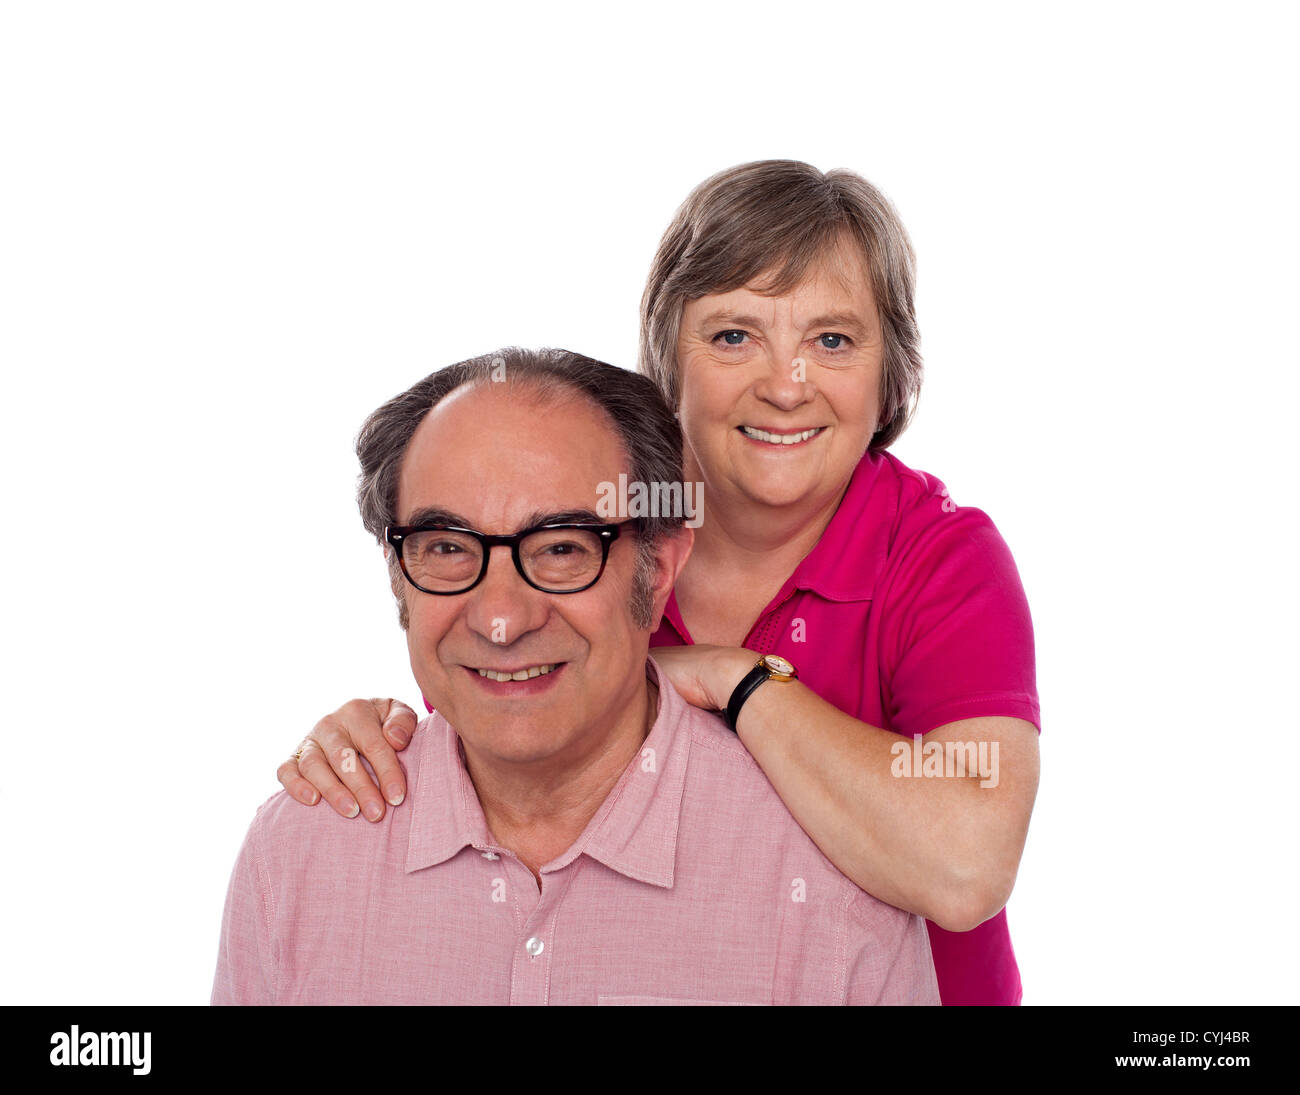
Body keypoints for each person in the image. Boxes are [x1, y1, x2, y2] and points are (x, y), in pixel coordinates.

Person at [278, 161, 1041, 1005]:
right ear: (666, 359)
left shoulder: (942, 556)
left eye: (831, 340)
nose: (784, 386)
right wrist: (373, 743)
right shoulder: (595, 525)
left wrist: (732, 678)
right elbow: (495, 722)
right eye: (732, 336)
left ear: (889, 370)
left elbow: (967, 866)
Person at [212, 349, 940, 1005]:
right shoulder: (298, 854)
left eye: (561, 549)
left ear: (657, 569)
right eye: (446, 547)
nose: (501, 616)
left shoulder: (830, 879)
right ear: (398, 575)